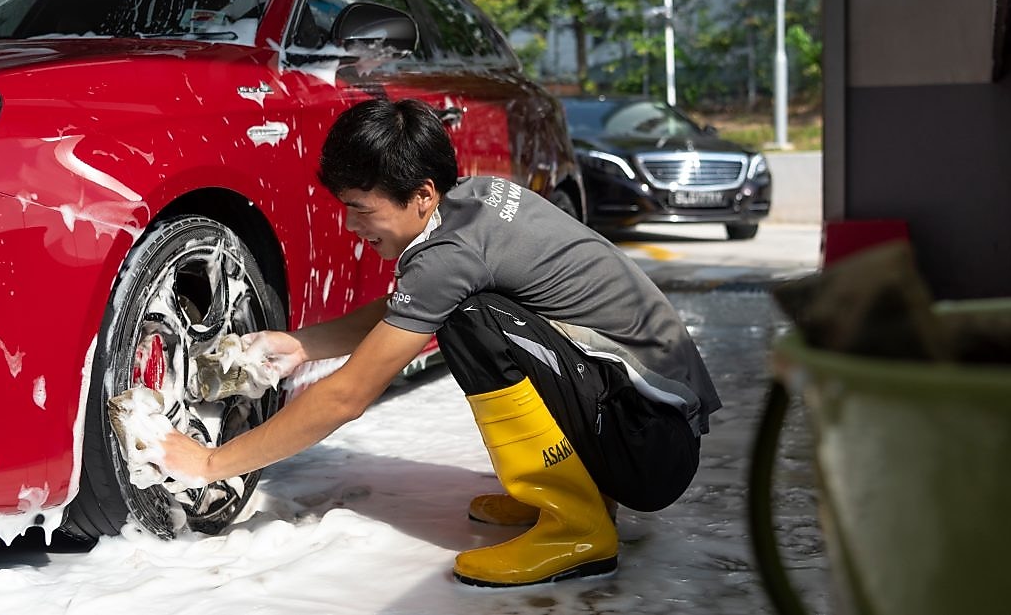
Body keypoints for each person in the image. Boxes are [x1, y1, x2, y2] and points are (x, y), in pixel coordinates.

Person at [154, 97, 721, 587]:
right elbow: (409, 307)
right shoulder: (473, 203)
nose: (352, 226)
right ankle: (576, 493)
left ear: (422, 194)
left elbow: (347, 397)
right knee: (465, 312)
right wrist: (303, 345)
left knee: (470, 321)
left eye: (361, 209)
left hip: (649, 446)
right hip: (649, 426)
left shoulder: (448, 258)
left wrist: (212, 461)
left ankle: (575, 526)